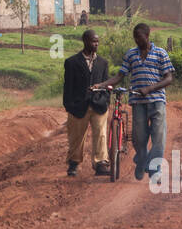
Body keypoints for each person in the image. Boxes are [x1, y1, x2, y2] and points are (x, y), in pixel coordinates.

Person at [94, 22, 175, 180]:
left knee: (158, 137)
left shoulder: (161, 53)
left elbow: (169, 78)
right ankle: (141, 160)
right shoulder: (131, 54)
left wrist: (150, 89)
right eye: (135, 38)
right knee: (139, 138)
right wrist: (102, 85)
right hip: (137, 102)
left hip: (157, 100)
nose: (137, 41)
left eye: (139, 37)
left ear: (147, 36)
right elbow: (119, 76)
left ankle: (154, 169)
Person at [62, 30, 111, 177]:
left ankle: (101, 163)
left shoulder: (103, 63)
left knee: (101, 134)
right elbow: (68, 86)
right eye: (93, 41)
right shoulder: (71, 62)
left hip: (99, 105)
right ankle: (73, 163)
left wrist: (105, 100)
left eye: (97, 41)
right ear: (85, 41)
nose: (96, 44)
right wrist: (68, 105)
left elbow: (106, 83)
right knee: (76, 136)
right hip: (78, 106)